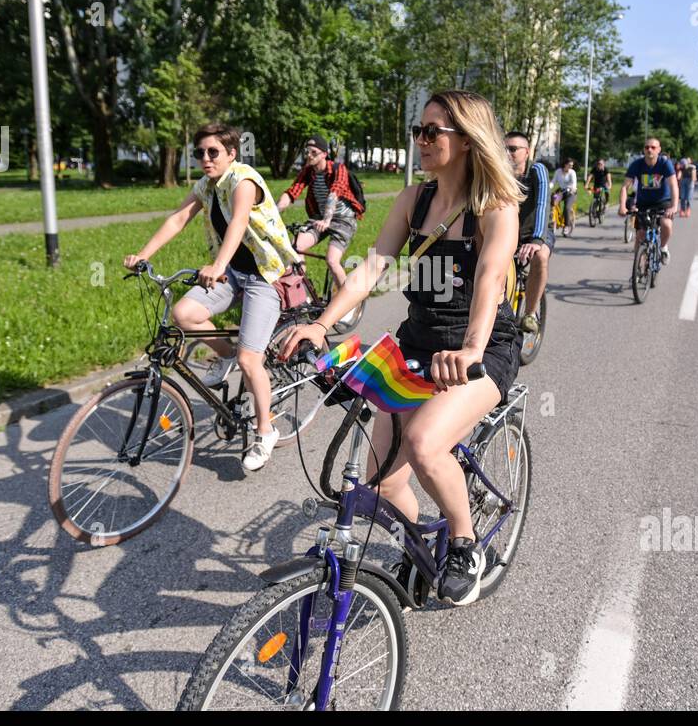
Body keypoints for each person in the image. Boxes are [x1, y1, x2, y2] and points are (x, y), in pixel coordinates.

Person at [280, 90, 523, 605]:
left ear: (466, 137)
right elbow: (371, 267)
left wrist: (472, 351)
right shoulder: (413, 202)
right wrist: (322, 325)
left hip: (479, 351)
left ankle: (463, 544)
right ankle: (423, 556)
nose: (422, 140)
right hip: (417, 344)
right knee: (384, 482)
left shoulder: (495, 209)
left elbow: (489, 280)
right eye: (419, 130)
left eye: (433, 131)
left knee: (425, 444)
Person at [125, 122, 301, 472]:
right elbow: (178, 219)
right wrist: (143, 254)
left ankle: (265, 430)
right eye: (200, 153)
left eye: (213, 152)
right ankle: (225, 358)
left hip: (266, 276)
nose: (205, 159)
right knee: (184, 313)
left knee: (252, 361)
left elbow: (238, 223)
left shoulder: (243, 180)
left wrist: (217, 264)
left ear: (231, 153)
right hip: (234, 273)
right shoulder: (205, 186)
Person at [276, 135, 363, 293]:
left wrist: (327, 219)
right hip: (320, 219)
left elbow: (334, 193)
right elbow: (292, 192)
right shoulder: (309, 171)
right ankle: (304, 295)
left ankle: (348, 300)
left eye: (314, 152)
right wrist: (274, 213)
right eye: (307, 151)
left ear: (324, 154)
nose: (309, 155)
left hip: (343, 220)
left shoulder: (338, 169)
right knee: (295, 248)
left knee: (332, 260)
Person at [507, 131, 550, 333]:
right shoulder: (499, 172)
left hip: (537, 232)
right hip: (509, 234)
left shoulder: (537, 170)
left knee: (540, 257)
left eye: (513, 149)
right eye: (504, 149)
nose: (508, 153)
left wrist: (537, 239)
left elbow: (542, 204)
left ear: (526, 152)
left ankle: (531, 314)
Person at [618, 137, 679, 263]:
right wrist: (622, 206)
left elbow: (673, 185)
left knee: (666, 224)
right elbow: (625, 187)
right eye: (647, 147)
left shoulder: (664, 164)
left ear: (659, 150)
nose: (649, 150)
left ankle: (663, 247)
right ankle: (638, 271)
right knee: (640, 235)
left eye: (653, 147)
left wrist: (674, 206)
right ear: (643, 150)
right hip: (643, 203)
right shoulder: (637, 164)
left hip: (663, 202)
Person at [552, 158, 578, 237]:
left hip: (571, 192)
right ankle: (554, 220)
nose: (571, 167)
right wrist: (548, 187)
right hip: (561, 191)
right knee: (553, 202)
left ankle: (566, 226)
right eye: (570, 165)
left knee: (567, 208)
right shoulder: (558, 172)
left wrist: (571, 188)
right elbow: (553, 181)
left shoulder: (572, 172)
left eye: (572, 165)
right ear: (565, 164)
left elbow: (574, 184)